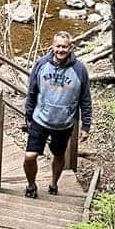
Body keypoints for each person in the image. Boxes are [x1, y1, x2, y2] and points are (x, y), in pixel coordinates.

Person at [23, 31, 92, 198]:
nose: (61, 50)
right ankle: (31, 185)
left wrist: (86, 125)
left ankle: (54, 183)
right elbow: (32, 91)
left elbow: (85, 98)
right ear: (52, 46)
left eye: (64, 47)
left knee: (59, 155)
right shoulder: (41, 64)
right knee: (30, 156)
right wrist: (28, 115)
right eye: (58, 46)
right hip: (40, 119)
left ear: (70, 48)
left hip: (64, 122)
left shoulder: (79, 69)